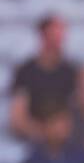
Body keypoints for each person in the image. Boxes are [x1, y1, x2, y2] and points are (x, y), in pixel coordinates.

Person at [8, 14, 77, 142]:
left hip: (65, 139)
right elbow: (17, 117)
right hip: (32, 140)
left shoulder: (71, 72)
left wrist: (59, 131)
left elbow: (78, 110)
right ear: (42, 36)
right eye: (53, 35)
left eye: (60, 35)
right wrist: (43, 133)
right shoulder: (25, 71)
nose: (57, 40)